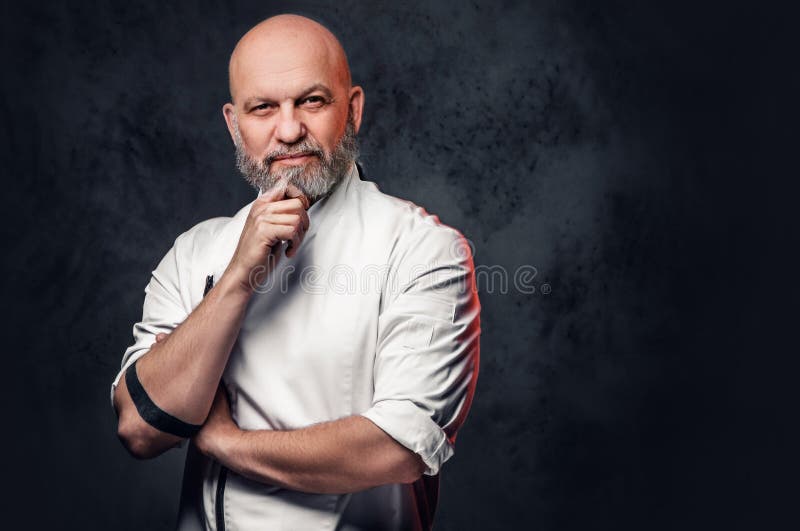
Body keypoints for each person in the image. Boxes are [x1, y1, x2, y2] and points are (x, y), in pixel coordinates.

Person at [111, 13, 480, 531]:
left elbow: (396, 447)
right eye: (263, 108)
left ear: (351, 110)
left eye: (312, 101)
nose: (289, 130)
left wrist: (225, 443)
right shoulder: (196, 251)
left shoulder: (421, 250)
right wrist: (239, 275)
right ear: (234, 124)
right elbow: (140, 427)